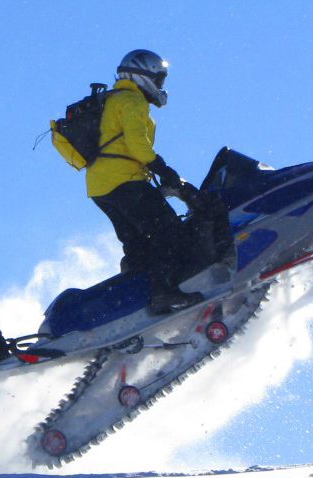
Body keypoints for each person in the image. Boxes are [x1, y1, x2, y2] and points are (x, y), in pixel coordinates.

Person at [55, 49, 204, 314]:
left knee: (137, 246)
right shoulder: (132, 101)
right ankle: (163, 293)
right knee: (167, 232)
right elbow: (137, 143)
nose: (161, 87)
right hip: (126, 181)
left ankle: (134, 304)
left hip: (100, 187)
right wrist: (162, 168)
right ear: (143, 76)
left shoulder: (111, 99)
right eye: (159, 80)